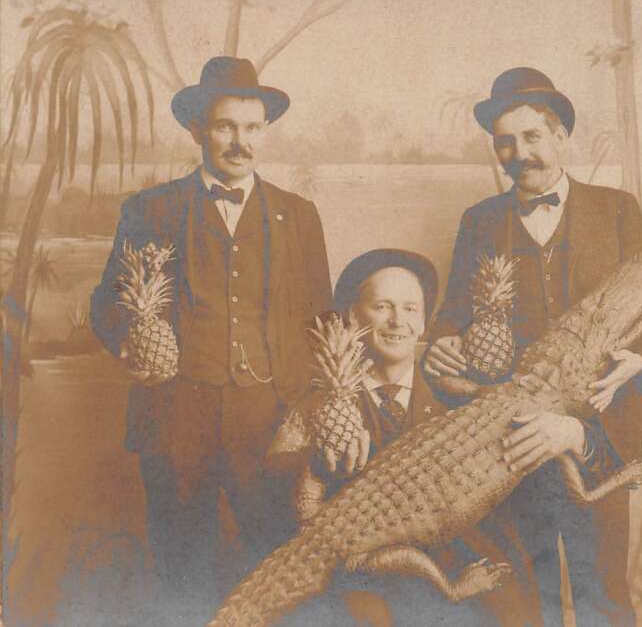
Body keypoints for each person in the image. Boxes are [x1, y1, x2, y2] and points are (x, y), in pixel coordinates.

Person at [423, 67, 642, 626]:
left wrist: (641, 360)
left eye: (532, 137)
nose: (520, 153)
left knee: (602, 591)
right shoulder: (481, 221)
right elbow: (452, 314)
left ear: (560, 136)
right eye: (506, 142)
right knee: (522, 593)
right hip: (507, 441)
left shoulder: (616, 208)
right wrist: (440, 343)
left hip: (599, 430)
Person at [89, 56, 334, 625]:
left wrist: (318, 410)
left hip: (270, 424)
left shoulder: (298, 216)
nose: (239, 142)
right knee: (183, 572)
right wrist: (131, 340)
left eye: (251, 128)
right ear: (198, 128)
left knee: (277, 567)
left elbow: (323, 320)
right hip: (176, 423)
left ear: (264, 131)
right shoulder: (151, 209)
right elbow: (106, 304)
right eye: (225, 127)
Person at [288, 249, 534, 626]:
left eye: (410, 309)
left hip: (452, 565)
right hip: (360, 577)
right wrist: (316, 465)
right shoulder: (320, 407)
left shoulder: (458, 400)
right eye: (382, 307)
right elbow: (276, 486)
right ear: (354, 317)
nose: (397, 321)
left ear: (424, 323)